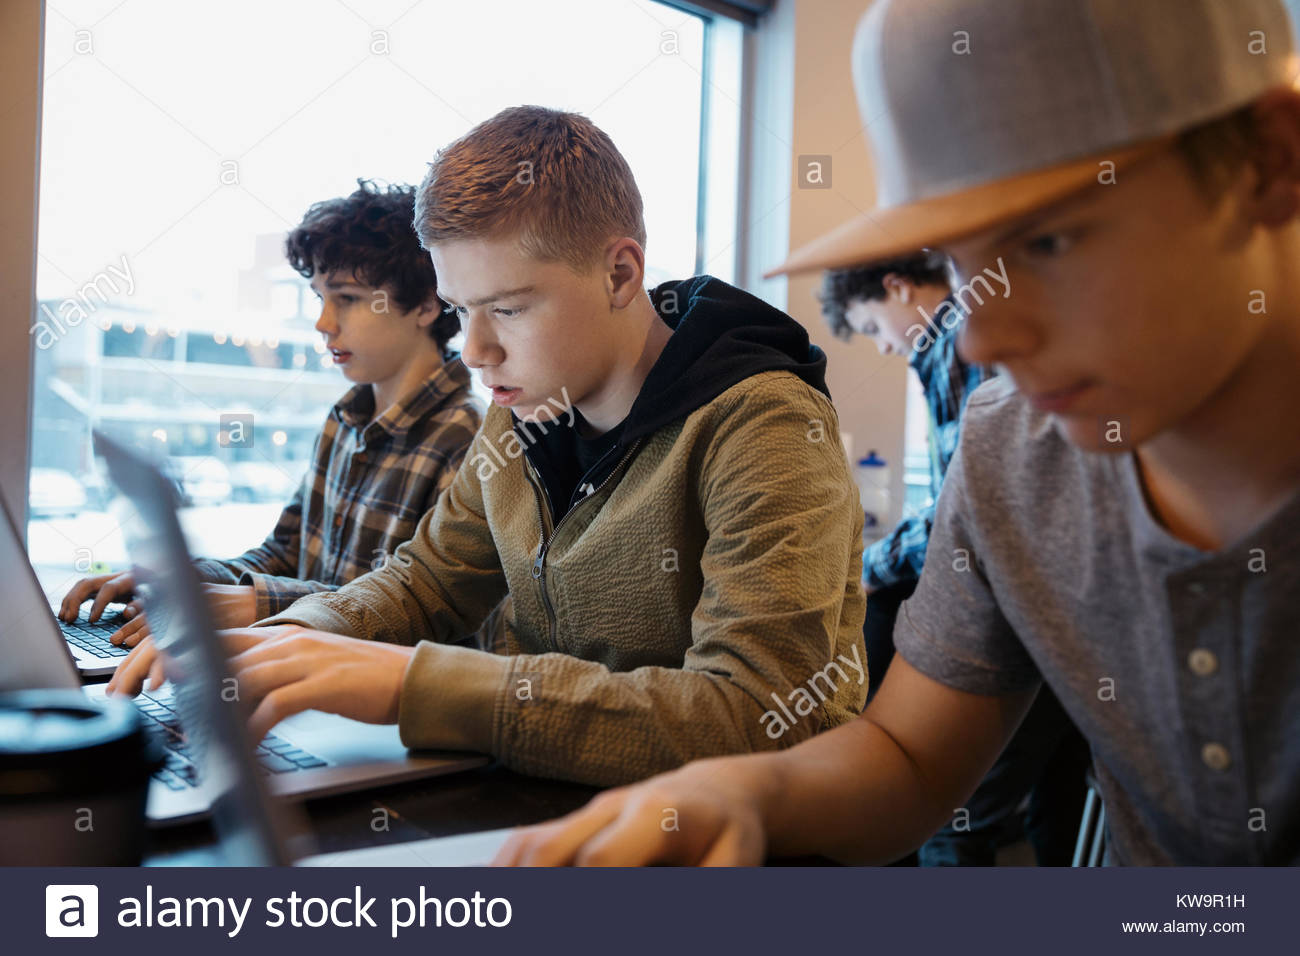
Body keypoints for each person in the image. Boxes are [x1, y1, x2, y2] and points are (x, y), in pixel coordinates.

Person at [492, 0, 1300, 865]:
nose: (983, 336)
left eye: (1049, 241)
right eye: (957, 262)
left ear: (1268, 160)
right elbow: (910, 759)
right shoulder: (1010, 453)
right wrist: (742, 792)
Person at [111, 107, 868, 788]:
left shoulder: (763, 424)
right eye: (464, 309)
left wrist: (414, 687)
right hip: (548, 802)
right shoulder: (527, 407)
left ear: (620, 273)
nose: (474, 351)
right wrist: (291, 639)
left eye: (507, 308)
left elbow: (756, 715)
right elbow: (429, 581)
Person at [61, 180, 479, 689]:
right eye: (320, 298)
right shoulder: (346, 419)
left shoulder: (467, 438)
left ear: (426, 306)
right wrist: (191, 583)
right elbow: (282, 552)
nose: (324, 323)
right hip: (295, 666)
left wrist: (255, 602)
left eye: (347, 299)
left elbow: (409, 611)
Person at [820, 257, 1087, 865]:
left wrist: (872, 562)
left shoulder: (954, 339)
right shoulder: (985, 330)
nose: (885, 347)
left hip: (1023, 612)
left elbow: (966, 509)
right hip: (1070, 615)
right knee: (1059, 798)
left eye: (873, 328)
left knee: (948, 822)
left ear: (897, 287)